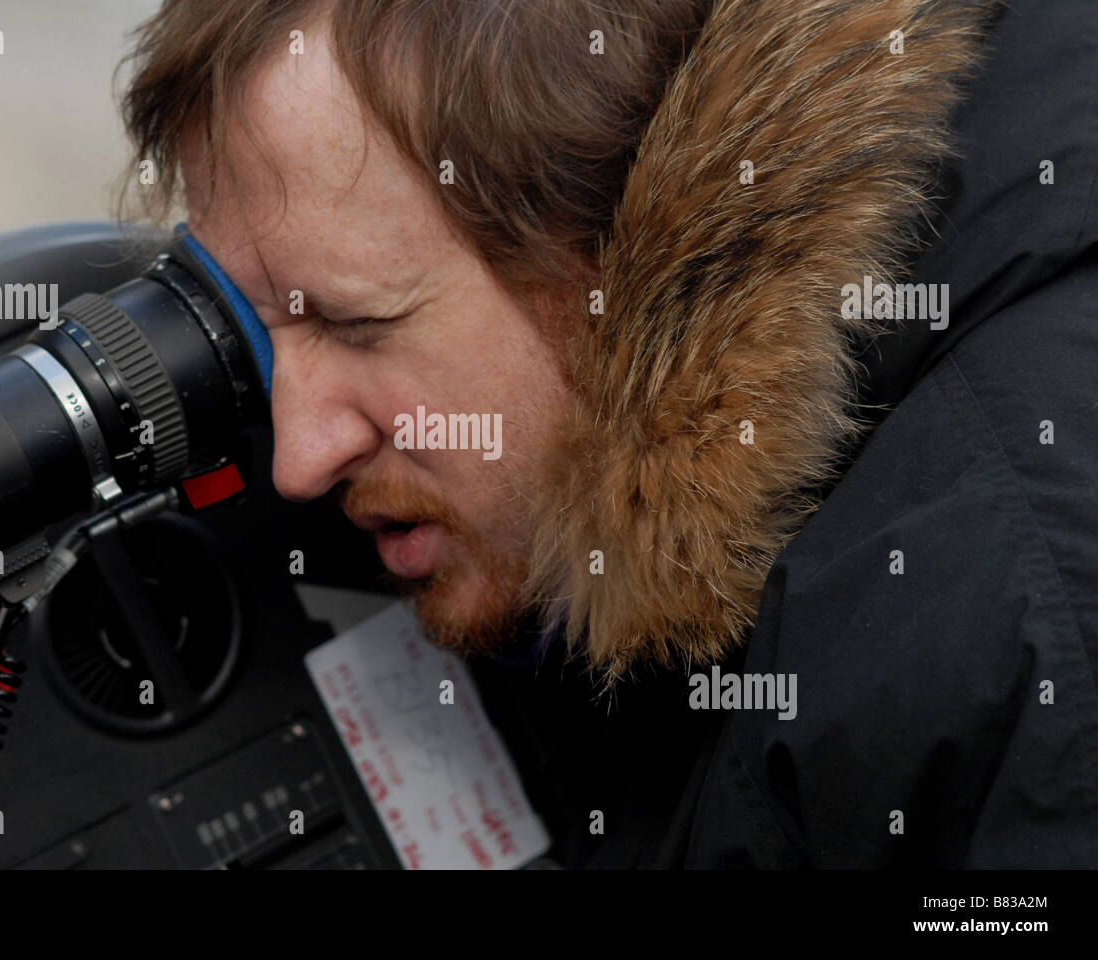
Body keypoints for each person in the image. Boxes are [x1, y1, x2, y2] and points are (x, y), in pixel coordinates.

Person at [117, 0, 1098, 867]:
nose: (299, 456)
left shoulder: (1029, 614)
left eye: (353, 324)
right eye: (255, 334)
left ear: (630, 251)